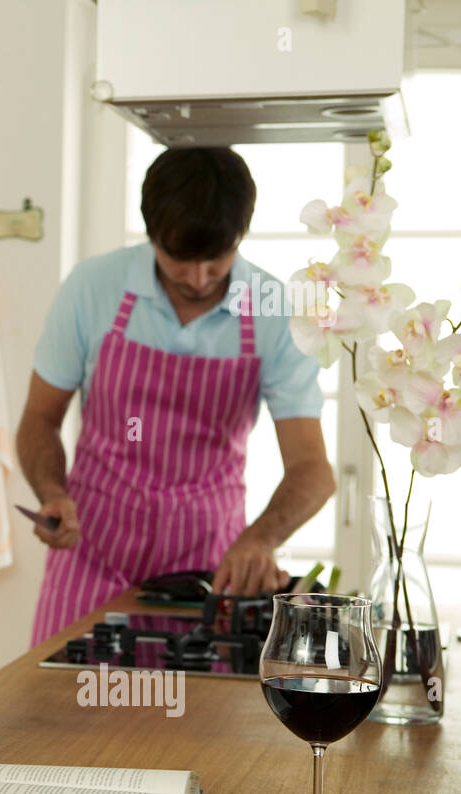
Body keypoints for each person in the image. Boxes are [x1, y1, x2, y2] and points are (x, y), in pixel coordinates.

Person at [18, 147, 336, 648]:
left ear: (241, 237)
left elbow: (313, 470)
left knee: (193, 723)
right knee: (61, 723)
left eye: (217, 259)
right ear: (151, 235)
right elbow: (38, 420)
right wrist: (52, 495)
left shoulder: (277, 312)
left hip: (208, 578)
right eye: (179, 260)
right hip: (89, 562)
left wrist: (261, 539)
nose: (198, 278)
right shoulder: (91, 288)